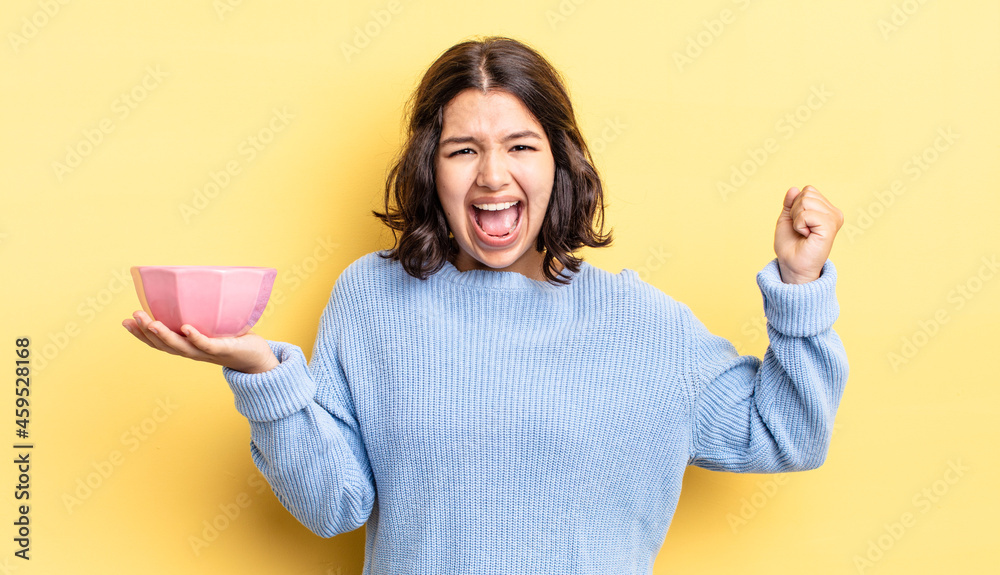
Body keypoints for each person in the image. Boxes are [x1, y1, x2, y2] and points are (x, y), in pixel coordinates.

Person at [123, 36, 847, 574]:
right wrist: (264, 377)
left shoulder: (642, 324)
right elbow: (334, 504)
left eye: (521, 146)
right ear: (429, 168)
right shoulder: (372, 297)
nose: (492, 176)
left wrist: (800, 285)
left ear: (559, 162)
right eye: (463, 149)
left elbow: (787, 431)